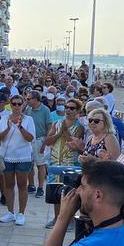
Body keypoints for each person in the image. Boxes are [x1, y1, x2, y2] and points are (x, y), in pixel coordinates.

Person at [43, 98, 85, 228]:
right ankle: (57, 218)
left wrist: (64, 131)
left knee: (69, 192)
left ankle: (70, 220)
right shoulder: (56, 123)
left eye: (72, 108)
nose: (68, 110)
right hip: (56, 161)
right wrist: (59, 133)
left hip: (71, 163)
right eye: (67, 107)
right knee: (56, 190)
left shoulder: (79, 127)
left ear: (78, 111)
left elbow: (73, 145)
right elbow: (48, 141)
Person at [0, 95, 36, 226]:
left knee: (22, 185)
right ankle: (10, 212)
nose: (17, 106)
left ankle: (21, 213)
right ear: (10, 105)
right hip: (7, 156)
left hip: (23, 157)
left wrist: (20, 127)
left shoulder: (29, 119)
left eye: (19, 104)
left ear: (23, 105)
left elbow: (30, 138)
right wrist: (7, 128)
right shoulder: (3, 119)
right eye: (14, 104)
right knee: (8, 185)